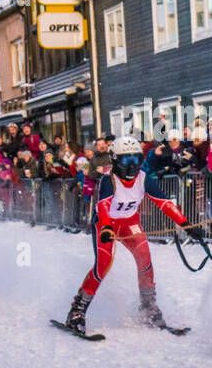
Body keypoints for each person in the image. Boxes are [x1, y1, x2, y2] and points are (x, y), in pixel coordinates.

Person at [62, 137, 203, 335]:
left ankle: (148, 308)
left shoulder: (144, 178)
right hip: (106, 226)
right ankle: (77, 311)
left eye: (136, 160)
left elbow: (164, 203)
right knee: (103, 265)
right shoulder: (108, 179)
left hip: (129, 224)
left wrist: (187, 225)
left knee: (145, 259)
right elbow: (103, 206)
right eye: (126, 161)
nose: (132, 166)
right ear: (115, 161)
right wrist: (106, 229)